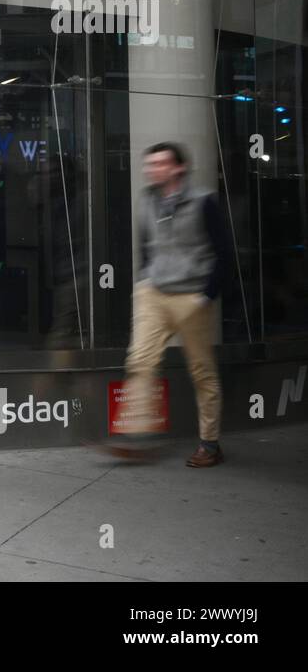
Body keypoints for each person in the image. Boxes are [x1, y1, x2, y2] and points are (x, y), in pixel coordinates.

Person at [110, 142, 233, 468]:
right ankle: (137, 438)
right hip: (154, 293)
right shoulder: (147, 200)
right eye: (150, 164)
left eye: (161, 163)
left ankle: (210, 443)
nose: (153, 169)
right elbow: (147, 247)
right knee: (140, 361)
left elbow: (224, 253)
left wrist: (206, 295)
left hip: (191, 295)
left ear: (178, 168)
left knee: (201, 370)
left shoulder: (203, 201)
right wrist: (144, 282)